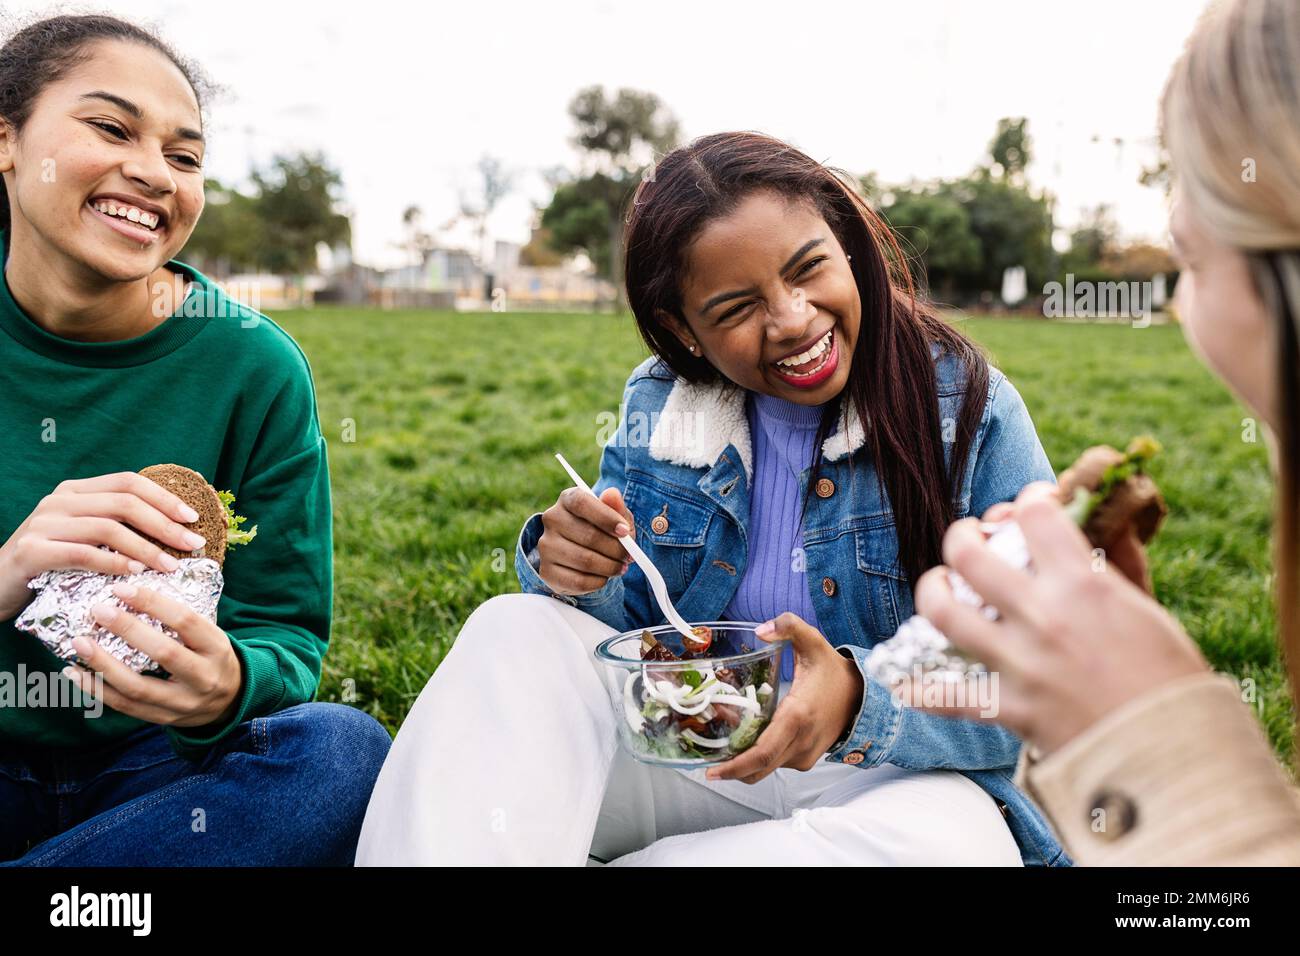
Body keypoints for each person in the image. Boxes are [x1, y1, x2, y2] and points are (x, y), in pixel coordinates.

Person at [357, 131, 1067, 866]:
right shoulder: (662, 403)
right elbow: (630, 629)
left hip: (887, 784)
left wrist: (858, 701)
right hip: (691, 754)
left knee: (952, 844)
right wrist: (580, 572)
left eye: (808, 270)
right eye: (736, 308)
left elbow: (1046, 687)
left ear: (847, 248)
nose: (792, 319)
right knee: (513, 629)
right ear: (682, 330)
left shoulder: (968, 409)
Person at [910, 0, 1300, 865]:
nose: (1179, 301)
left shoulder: (971, 394)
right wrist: (1123, 698)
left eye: (1189, 261)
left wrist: (1155, 742)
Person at [0, 14, 390, 865]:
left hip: (158, 770)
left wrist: (225, 689)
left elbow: (286, 633)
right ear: (7, 140)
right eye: (111, 128)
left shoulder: (253, 366)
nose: (153, 174)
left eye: (184, 157)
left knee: (341, 758)